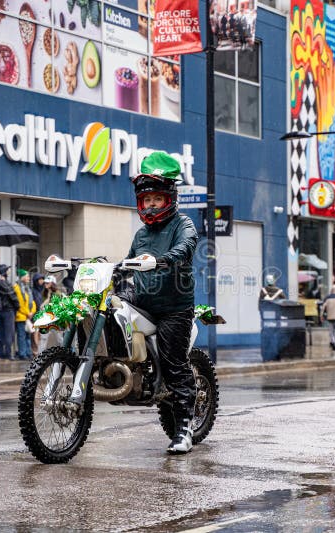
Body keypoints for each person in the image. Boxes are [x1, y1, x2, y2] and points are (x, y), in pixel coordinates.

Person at [126, 151, 198, 454]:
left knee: (174, 363)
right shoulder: (141, 233)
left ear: (169, 197)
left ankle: (184, 429)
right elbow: (129, 262)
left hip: (174, 306)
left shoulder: (183, 223)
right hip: (142, 299)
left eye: (156, 199)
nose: (151, 205)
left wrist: (167, 258)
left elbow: (187, 245)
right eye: (146, 201)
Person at [0, 264, 19, 361]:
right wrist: (17, 306)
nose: (9, 271)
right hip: (8, 310)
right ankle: (8, 354)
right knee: (9, 333)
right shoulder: (4, 282)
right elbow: (11, 295)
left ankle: (1, 353)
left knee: (0, 333)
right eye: (8, 270)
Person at [13, 269, 36, 360]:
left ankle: (28, 353)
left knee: (28, 336)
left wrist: (32, 312)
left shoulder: (27, 288)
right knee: (21, 336)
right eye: (27, 276)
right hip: (21, 316)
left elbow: (32, 302)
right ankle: (22, 353)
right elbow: (20, 304)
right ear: (22, 277)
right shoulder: (17, 288)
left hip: (28, 316)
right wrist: (28, 313)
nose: (29, 278)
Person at [320, 284, 335, 351]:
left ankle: (333, 342)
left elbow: (323, 307)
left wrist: (321, 315)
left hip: (330, 317)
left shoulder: (327, 298)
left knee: (331, 331)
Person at [30, 273, 46, 353]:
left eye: (42, 279)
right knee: (35, 332)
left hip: (41, 314)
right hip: (35, 314)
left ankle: (38, 348)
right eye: (39, 279)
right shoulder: (33, 290)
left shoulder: (42, 289)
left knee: (40, 332)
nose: (41, 281)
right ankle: (35, 349)